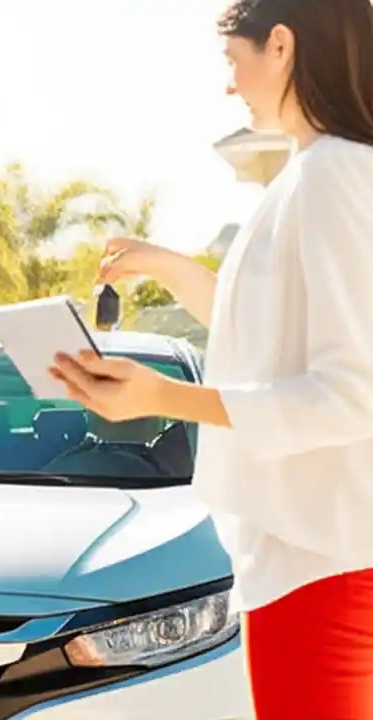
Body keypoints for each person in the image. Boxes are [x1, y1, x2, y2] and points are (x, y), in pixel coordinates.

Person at [49, 1, 373, 716]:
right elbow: (265, 325)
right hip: (306, 561)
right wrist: (168, 266)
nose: (231, 86)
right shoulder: (311, 173)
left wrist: (161, 397)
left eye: (235, 61)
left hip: (321, 566)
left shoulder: (334, 176)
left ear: (281, 46)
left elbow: (352, 394)